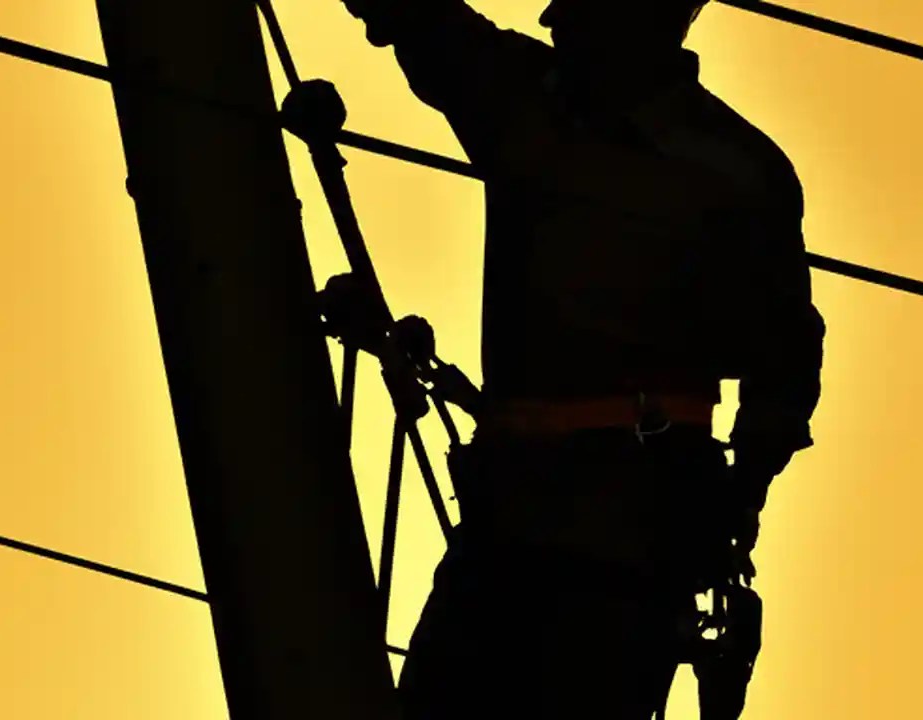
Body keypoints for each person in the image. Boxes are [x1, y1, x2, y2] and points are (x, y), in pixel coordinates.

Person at [339, 0, 825, 716]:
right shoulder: (534, 104)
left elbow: (783, 366)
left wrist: (734, 497)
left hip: (620, 540)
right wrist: (735, 498)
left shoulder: (724, 169)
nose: (551, 21)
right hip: (541, 530)